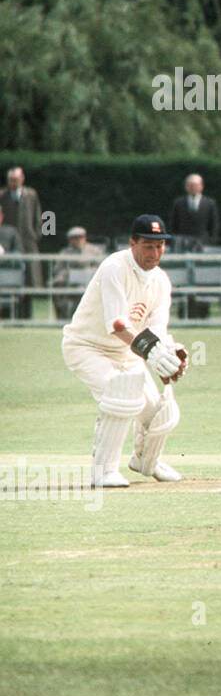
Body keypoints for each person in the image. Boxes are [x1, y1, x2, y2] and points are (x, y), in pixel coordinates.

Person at [60, 215, 189, 486]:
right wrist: (152, 353)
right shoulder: (114, 267)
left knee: (160, 412)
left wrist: (169, 354)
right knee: (122, 394)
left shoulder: (161, 281)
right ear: (132, 243)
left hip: (126, 353)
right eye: (147, 246)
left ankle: (146, 461)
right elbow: (117, 325)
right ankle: (103, 470)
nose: (155, 253)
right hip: (87, 347)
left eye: (160, 246)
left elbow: (157, 330)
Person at [1, 166, 43, 316]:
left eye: (16, 180)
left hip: (28, 243)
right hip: (9, 242)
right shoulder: (3, 195)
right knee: (10, 277)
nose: (13, 183)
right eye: (11, 180)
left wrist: (36, 234)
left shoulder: (31, 195)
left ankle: (27, 315)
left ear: (22, 179)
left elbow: (38, 216)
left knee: (29, 279)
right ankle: (8, 314)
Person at [52, 226, 106, 321]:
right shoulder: (65, 253)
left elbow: (102, 267)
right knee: (54, 286)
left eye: (80, 237)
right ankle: (62, 317)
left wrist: (89, 272)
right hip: (70, 284)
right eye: (75, 238)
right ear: (70, 240)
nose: (78, 240)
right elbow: (58, 270)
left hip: (90, 283)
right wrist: (66, 275)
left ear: (85, 238)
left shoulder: (94, 251)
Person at [169, 173, 221, 248]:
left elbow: (214, 224)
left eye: (195, 185)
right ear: (186, 187)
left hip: (204, 243)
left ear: (201, 186)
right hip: (182, 243)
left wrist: (212, 240)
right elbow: (173, 223)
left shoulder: (210, 203)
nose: (192, 187)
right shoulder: (178, 203)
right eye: (190, 185)